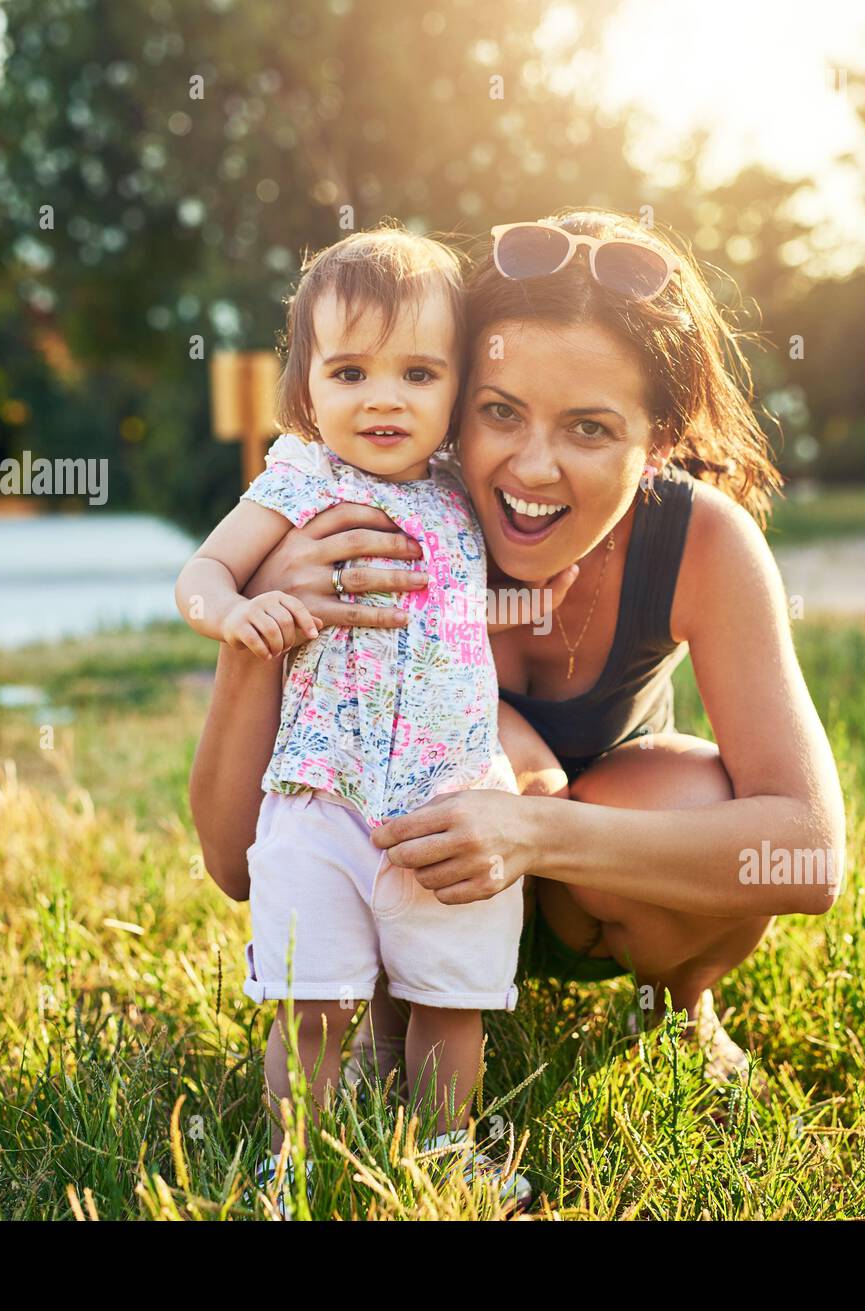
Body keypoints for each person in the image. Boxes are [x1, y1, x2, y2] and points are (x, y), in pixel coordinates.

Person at [189, 208, 846, 1100]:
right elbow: (234, 862)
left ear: (660, 439)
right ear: (454, 397)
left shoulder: (700, 542)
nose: (533, 470)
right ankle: (392, 1015)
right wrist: (258, 632)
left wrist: (532, 828)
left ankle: (680, 1005)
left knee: (675, 788)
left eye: (591, 428)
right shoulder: (358, 528)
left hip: (596, 896)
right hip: (409, 885)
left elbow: (807, 853)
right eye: (500, 412)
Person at [176, 224, 570, 1208]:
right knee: (311, 1006)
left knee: (449, 1005)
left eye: (417, 372)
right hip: (318, 796)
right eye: (349, 371)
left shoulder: (465, 488)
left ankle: (445, 1154)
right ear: (305, 388)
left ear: (457, 388)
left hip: (449, 800)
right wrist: (237, 611)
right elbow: (199, 574)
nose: (383, 397)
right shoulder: (301, 480)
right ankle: (296, 1160)